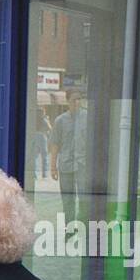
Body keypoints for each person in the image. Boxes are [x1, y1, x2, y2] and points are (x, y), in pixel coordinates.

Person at [49, 91, 87, 233]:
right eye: (74, 100)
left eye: (79, 99)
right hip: (65, 166)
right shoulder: (60, 121)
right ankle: (69, 229)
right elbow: (54, 145)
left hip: (83, 166)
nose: (77, 102)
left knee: (84, 199)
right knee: (68, 200)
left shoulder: (87, 117)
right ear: (67, 101)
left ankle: (83, 227)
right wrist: (53, 168)